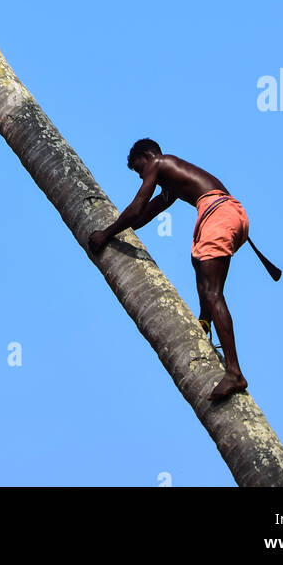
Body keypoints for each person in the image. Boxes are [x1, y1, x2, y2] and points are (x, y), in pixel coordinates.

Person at [88, 138, 249, 400]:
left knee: (213, 292)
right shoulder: (172, 182)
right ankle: (205, 321)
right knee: (199, 264)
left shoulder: (160, 163)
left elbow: (138, 205)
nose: (143, 176)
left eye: (140, 170)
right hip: (230, 215)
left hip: (218, 214)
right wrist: (119, 229)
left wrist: (106, 234)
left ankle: (234, 373)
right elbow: (146, 214)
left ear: (147, 155)